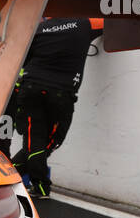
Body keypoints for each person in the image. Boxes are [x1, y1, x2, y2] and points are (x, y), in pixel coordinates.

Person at [6, 16, 104, 197]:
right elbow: (110, 22)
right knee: (49, 143)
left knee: (34, 143)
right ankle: (38, 185)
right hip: (61, 93)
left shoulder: (39, 28)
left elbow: (21, 60)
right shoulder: (84, 23)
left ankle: (12, 176)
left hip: (31, 89)